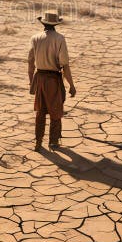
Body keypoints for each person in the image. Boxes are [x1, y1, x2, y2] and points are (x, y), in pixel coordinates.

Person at [27, 10, 76, 150]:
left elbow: (30, 62)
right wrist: (71, 85)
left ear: (43, 23)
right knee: (56, 111)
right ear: (55, 24)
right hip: (53, 79)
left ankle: (38, 141)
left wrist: (32, 81)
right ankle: (53, 142)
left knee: (40, 112)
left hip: (40, 78)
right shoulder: (59, 39)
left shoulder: (35, 38)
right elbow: (65, 65)